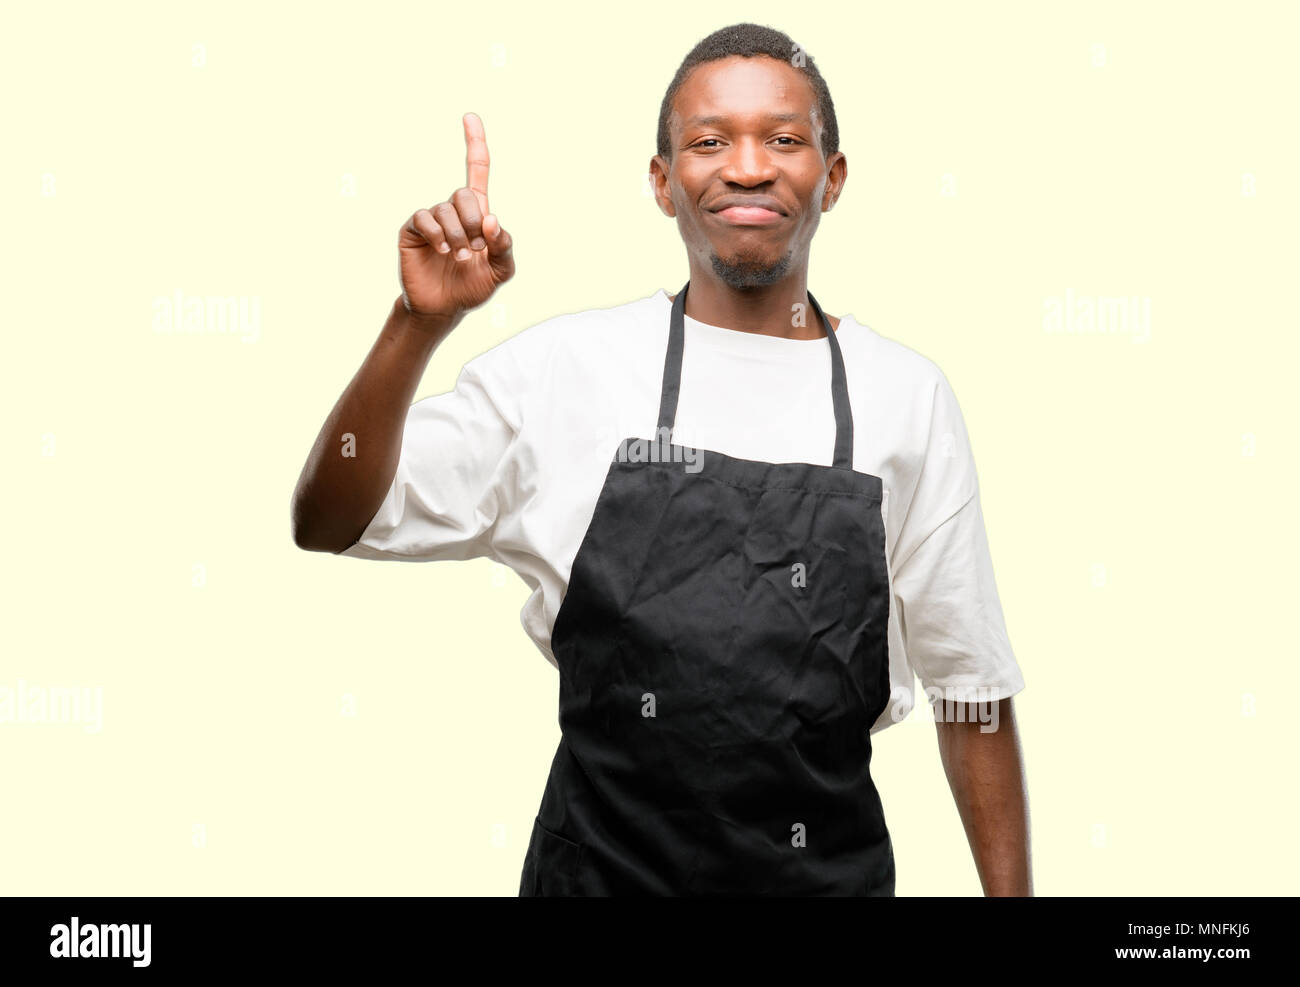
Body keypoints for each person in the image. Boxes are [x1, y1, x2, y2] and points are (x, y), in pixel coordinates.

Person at [291, 22, 1031, 897]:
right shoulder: (565, 370)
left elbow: (971, 692)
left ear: (831, 180)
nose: (748, 167)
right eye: (708, 141)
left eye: (785, 140)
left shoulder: (906, 397)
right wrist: (418, 325)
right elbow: (328, 518)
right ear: (661, 181)